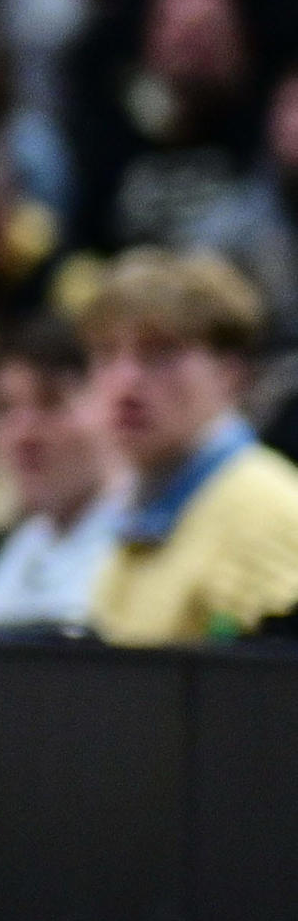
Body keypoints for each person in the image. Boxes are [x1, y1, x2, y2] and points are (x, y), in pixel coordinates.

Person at [79, 248, 298, 646]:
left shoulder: (266, 512)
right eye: (107, 352)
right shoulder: (135, 510)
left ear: (230, 373)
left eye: (160, 351)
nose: (125, 381)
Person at [0, 312, 120, 633]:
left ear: (108, 405)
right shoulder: (22, 542)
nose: (24, 434)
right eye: (4, 409)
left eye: (51, 402)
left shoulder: (144, 537)